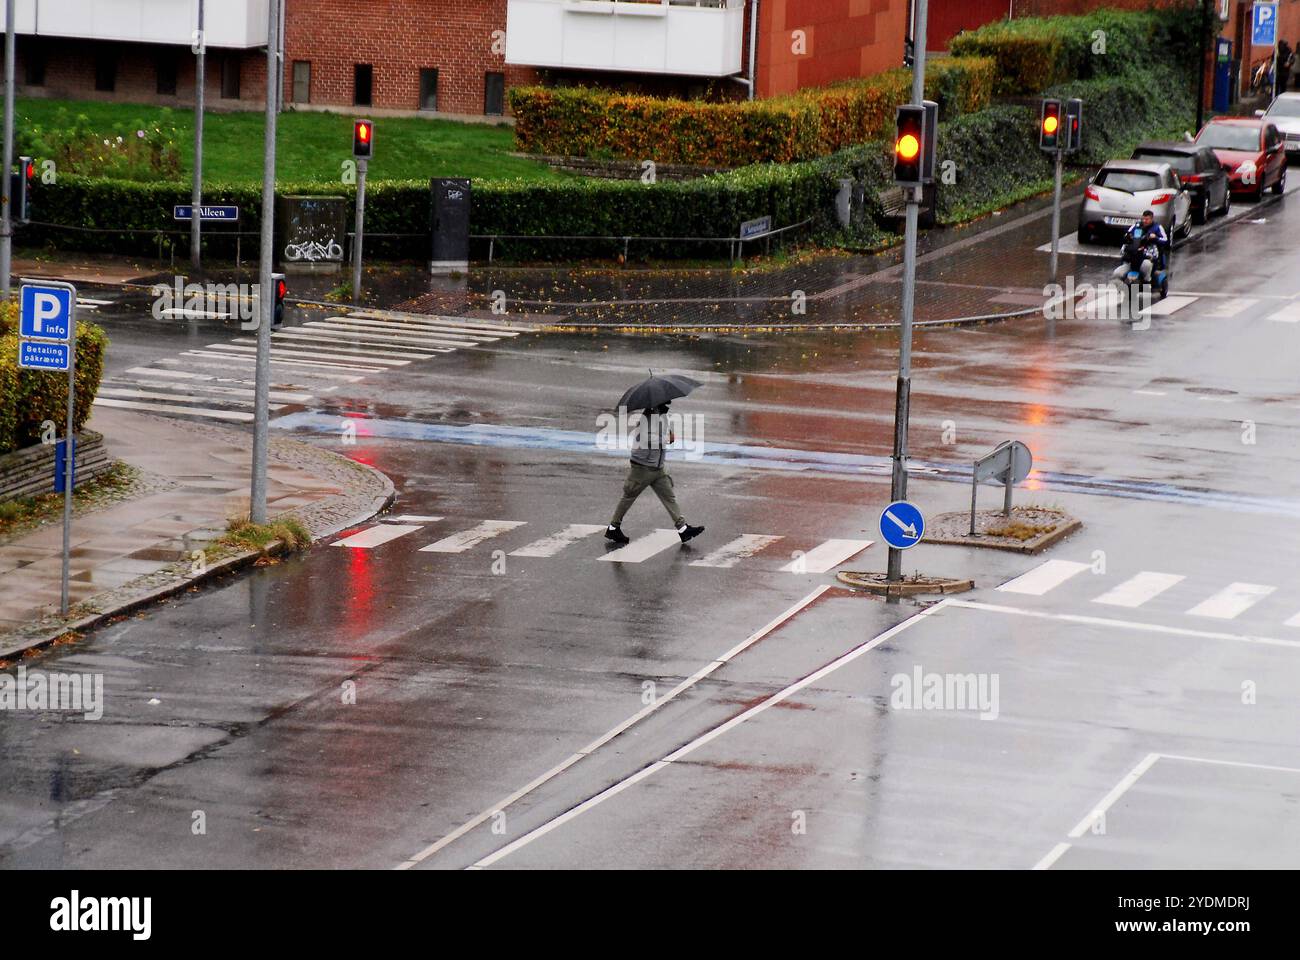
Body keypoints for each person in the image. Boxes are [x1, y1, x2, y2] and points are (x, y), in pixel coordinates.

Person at [605, 401, 704, 545]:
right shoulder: (649, 416)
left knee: (669, 497)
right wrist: (666, 439)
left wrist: (669, 435)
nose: (670, 400)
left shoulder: (662, 415)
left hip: (657, 468)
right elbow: (645, 438)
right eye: (667, 398)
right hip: (643, 467)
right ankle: (613, 527)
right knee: (629, 496)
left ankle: (683, 529)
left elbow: (663, 435)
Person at [1111, 210, 1168, 283]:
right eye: (1143, 219)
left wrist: (1155, 238)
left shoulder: (1157, 227)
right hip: (1133, 257)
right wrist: (1129, 238)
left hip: (1147, 257)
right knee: (1117, 274)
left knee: (1146, 265)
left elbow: (1165, 240)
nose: (1144, 221)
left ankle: (1147, 281)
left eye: (1147, 219)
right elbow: (1127, 235)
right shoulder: (1136, 226)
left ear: (1151, 219)